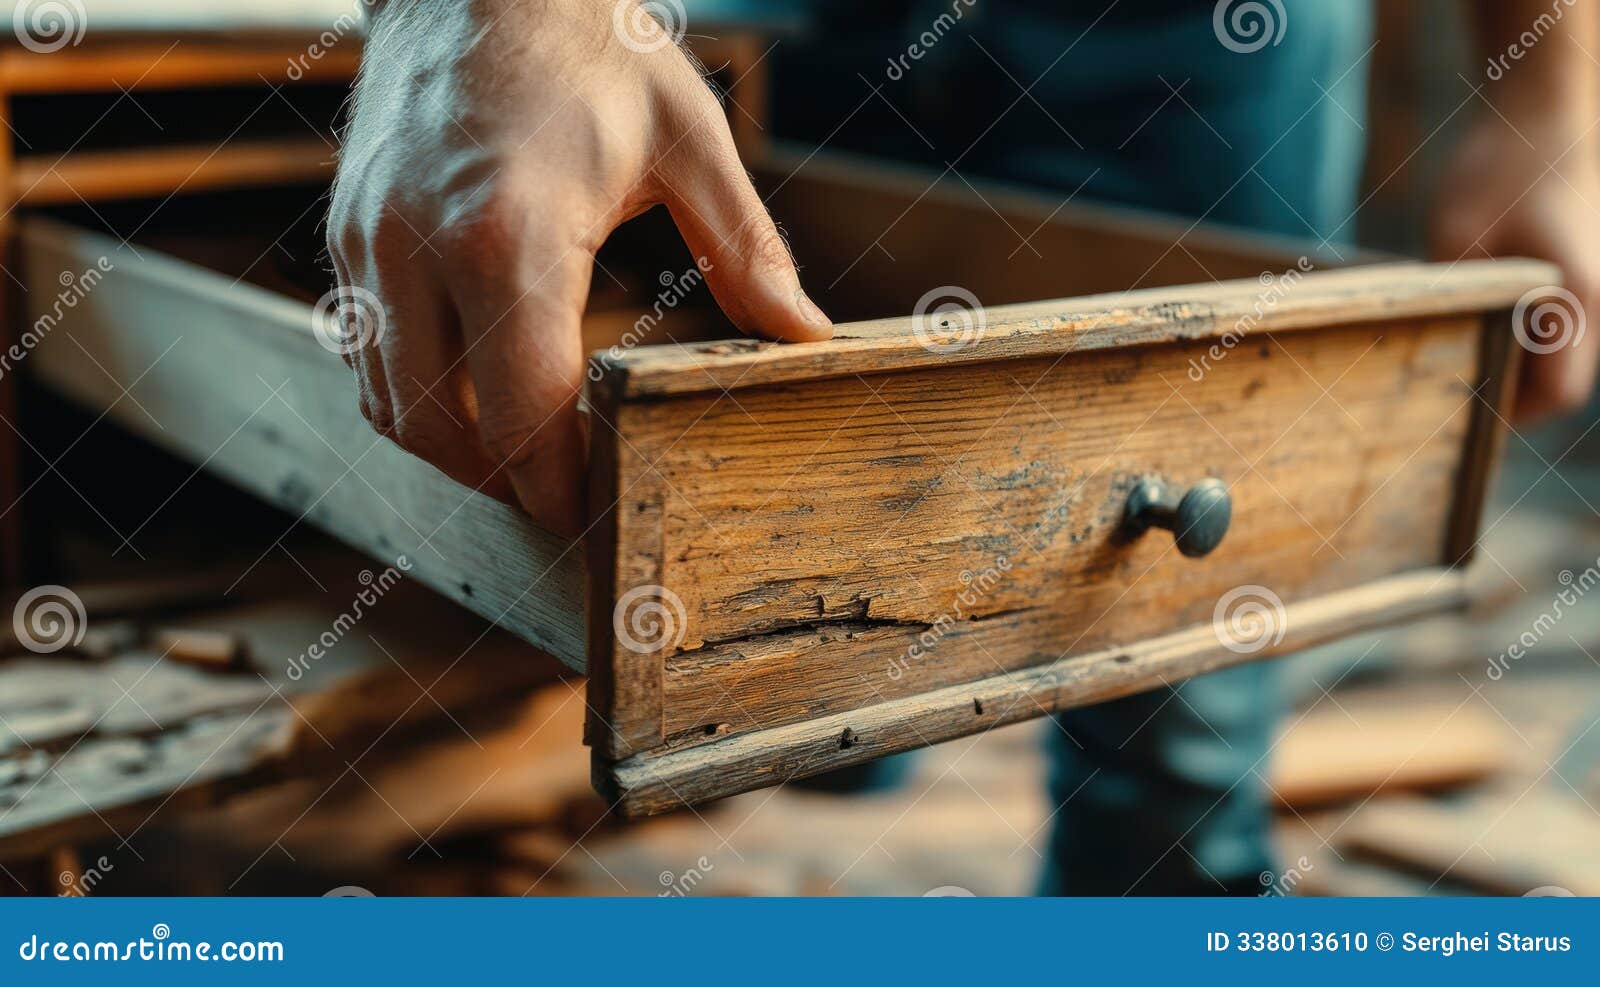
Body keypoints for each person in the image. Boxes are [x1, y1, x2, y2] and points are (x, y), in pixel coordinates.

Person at [328, 0, 1600, 895]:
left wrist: (1551, 99)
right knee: (819, 624)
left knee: (1184, 725)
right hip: (800, 31)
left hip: (1207, 38)